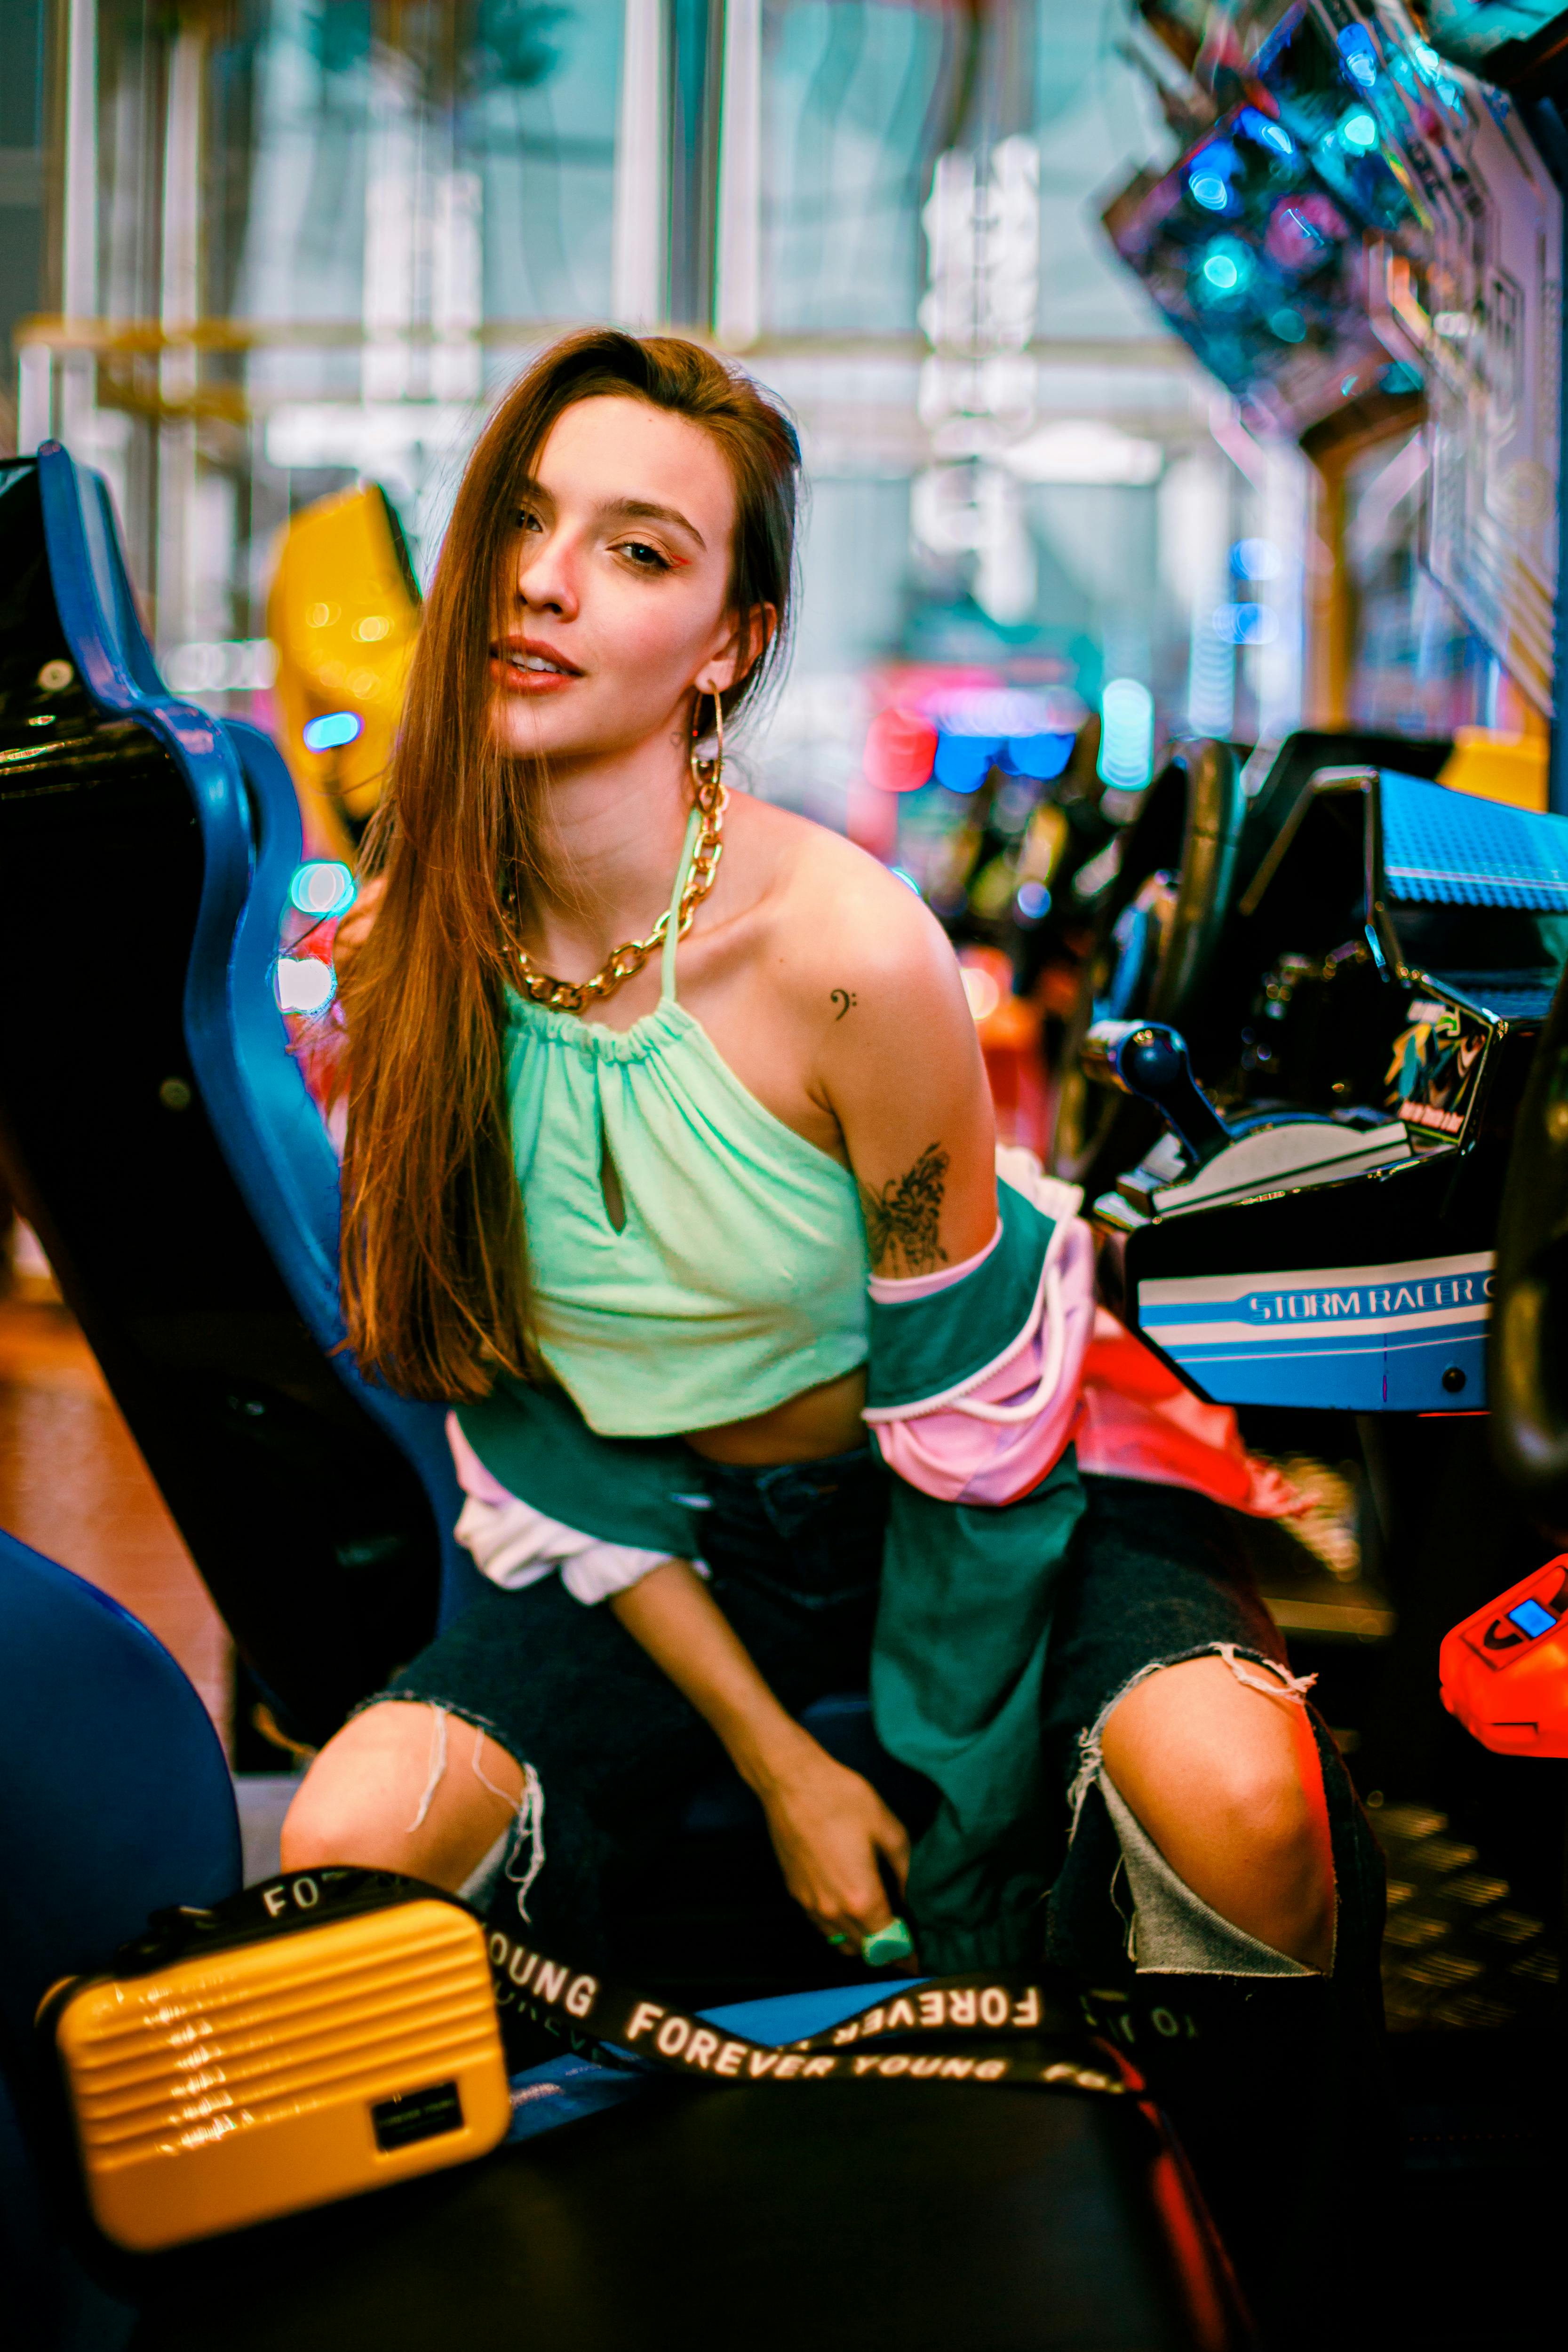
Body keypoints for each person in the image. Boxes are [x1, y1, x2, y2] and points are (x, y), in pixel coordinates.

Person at [280, 332, 1356, 2041]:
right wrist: (783, 1767)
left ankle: (1241, 2260)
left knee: (1243, 1805)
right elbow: (534, 1430)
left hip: (1011, 1491)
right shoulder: (391, 975)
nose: (545, 584)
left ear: (731, 646)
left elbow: (974, 1429)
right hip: (664, 1534)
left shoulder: (850, 956)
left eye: (637, 550)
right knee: (350, 1845)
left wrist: (973, 1882)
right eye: (524, 523)